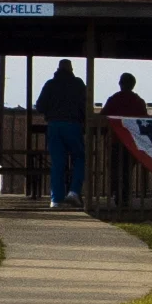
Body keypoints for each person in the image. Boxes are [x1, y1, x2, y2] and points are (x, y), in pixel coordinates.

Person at [35, 58, 87, 208]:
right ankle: (74, 192)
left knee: (57, 163)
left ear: (58, 69)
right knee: (79, 158)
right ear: (71, 69)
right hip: (73, 125)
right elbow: (85, 106)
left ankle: (56, 199)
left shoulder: (50, 84)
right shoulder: (78, 84)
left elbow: (40, 106)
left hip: (54, 125)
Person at [101, 73, 147, 207]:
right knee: (127, 170)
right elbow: (145, 120)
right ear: (133, 85)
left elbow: (102, 116)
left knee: (116, 169)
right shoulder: (138, 101)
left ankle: (117, 194)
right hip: (133, 142)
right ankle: (125, 196)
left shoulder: (114, 99)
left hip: (116, 140)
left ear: (120, 83)